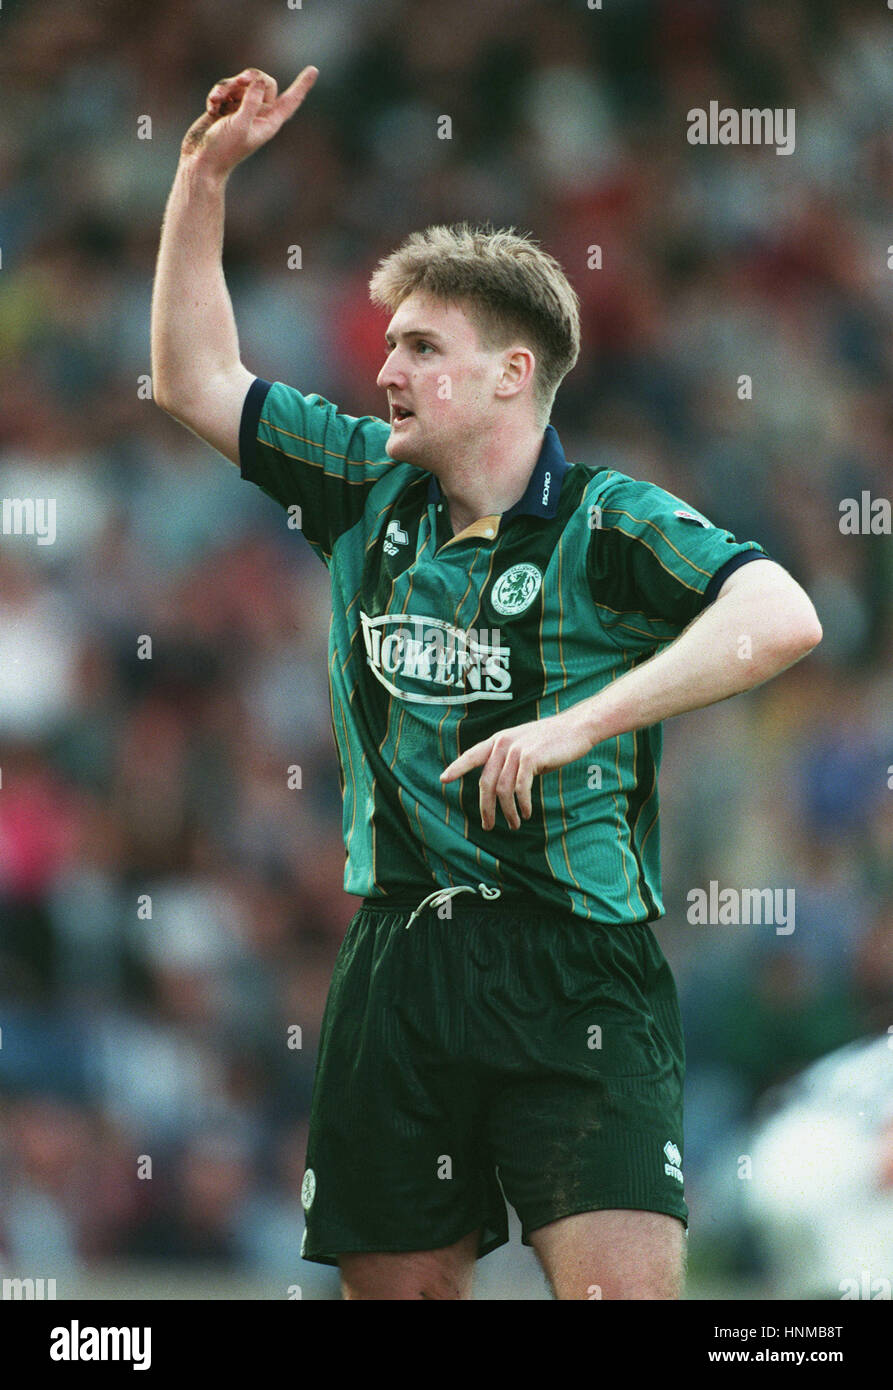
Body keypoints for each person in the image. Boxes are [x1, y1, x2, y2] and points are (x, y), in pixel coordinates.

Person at [151, 66, 823, 1300]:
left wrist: (582, 719)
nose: (384, 369)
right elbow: (196, 380)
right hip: (398, 955)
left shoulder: (611, 522)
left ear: (512, 374)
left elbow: (782, 613)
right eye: (389, 343)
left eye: (419, 346)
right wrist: (202, 180)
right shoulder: (364, 484)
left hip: (578, 960)